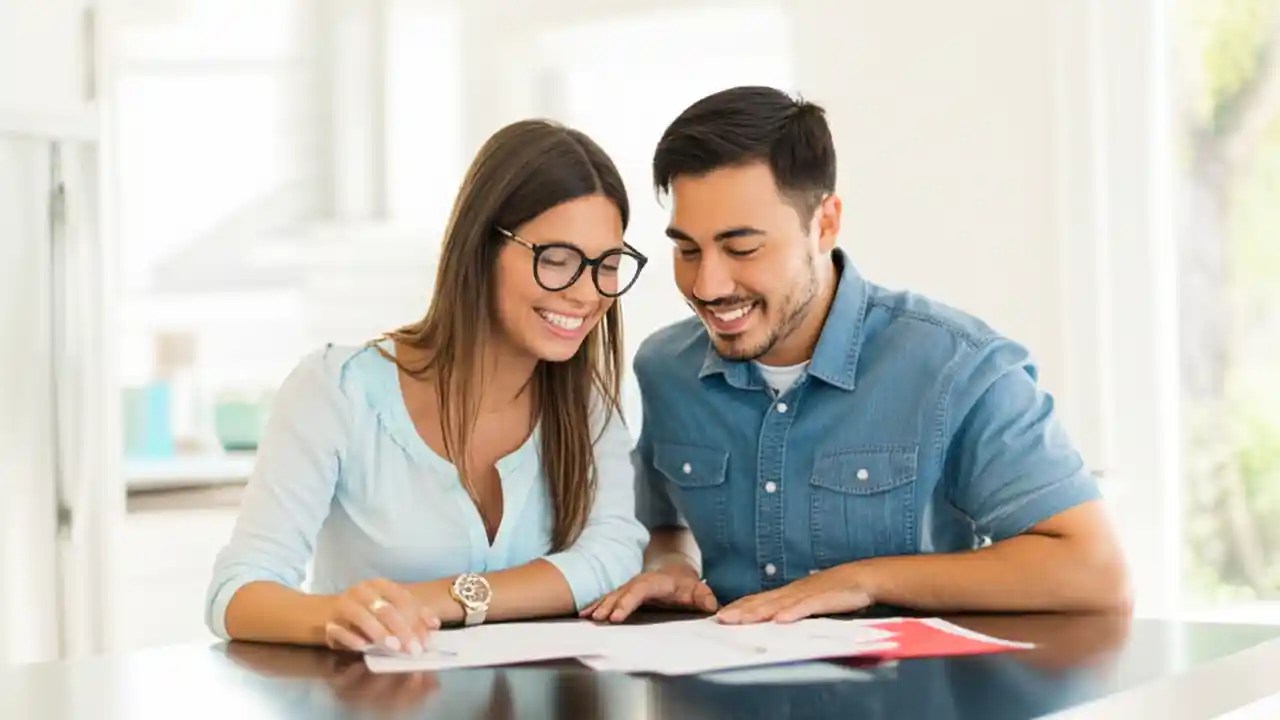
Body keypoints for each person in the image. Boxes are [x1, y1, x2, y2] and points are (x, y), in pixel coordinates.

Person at [585, 86, 1130, 625]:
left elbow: (1095, 569)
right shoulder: (664, 369)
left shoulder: (957, 368)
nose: (707, 284)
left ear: (824, 223)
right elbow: (662, 522)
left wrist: (860, 580)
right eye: (687, 249)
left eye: (742, 248)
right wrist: (675, 565)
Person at [207, 119, 650, 654]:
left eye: (606, 265)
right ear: (481, 246)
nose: (586, 294)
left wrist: (441, 599)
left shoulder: (588, 408)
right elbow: (237, 592)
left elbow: (613, 553)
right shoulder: (336, 391)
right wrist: (334, 615)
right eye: (556, 261)